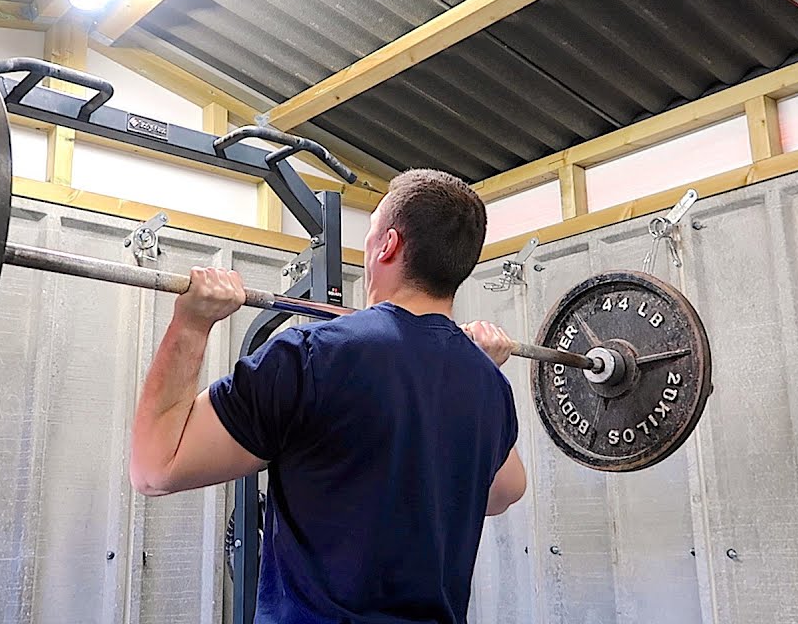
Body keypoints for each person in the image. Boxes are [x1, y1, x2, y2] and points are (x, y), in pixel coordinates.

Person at [130, 169, 526, 623]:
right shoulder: (488, 383)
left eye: (371, 231)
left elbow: (154, 468)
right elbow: (503, 492)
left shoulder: (310, 357)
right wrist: (482, 371)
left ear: (388, 245)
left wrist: (192, 323)